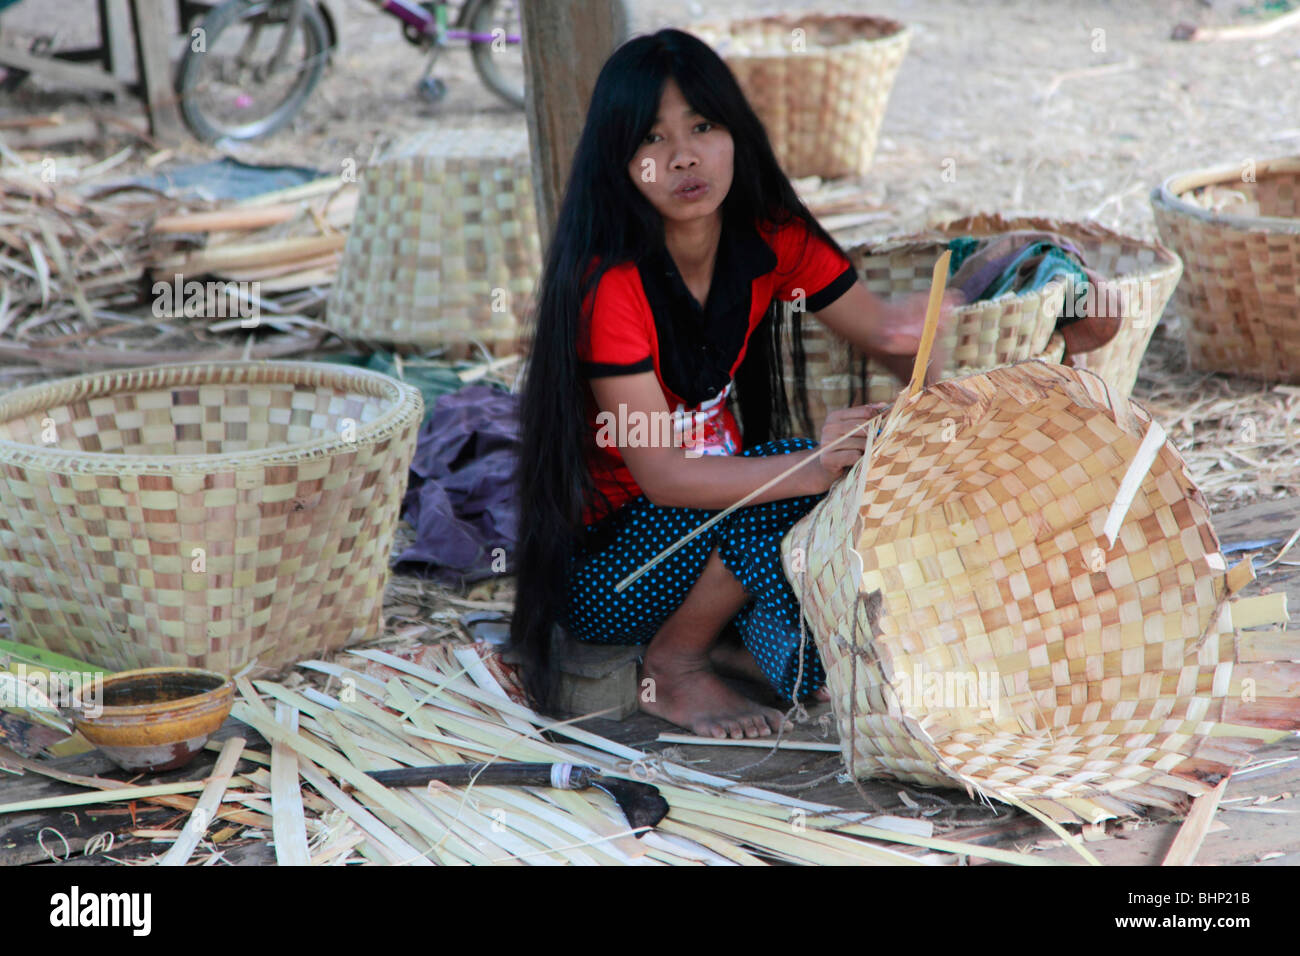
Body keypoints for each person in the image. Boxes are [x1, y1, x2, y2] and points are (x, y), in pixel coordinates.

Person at [509, 28, 955, 740]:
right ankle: (675, 665)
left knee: (810, 669)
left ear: (735, 133)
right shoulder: (611, 286)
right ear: (618, 164)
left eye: (703, 126)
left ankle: (715, 636)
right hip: (613, 574)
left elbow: (886, 335)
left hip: (711, 545)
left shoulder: (772, 236)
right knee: (795, 484)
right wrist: (815, 464)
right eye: (651, 139)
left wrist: (934, 382)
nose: (683, 156)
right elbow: (662, 477)